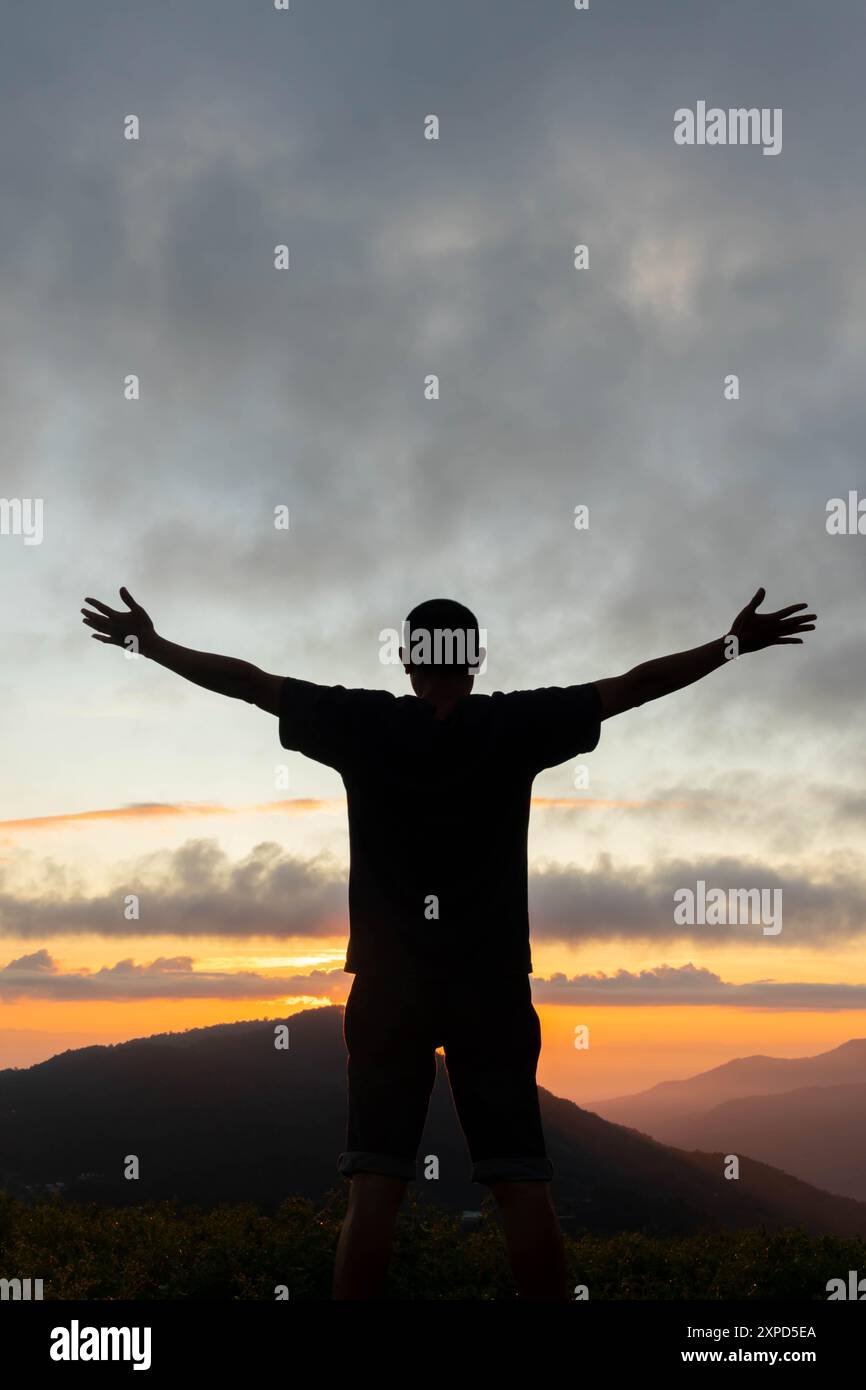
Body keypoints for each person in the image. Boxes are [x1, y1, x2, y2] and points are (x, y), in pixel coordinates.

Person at [81, 585, 816, 1299]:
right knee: (520, 1182)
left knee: (375, 1188)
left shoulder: (361, 724)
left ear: (406, 659)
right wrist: (730, 645)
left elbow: (248, 683)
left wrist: (152, 645)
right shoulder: (518, 725)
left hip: (389, 986)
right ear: (477, 659)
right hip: (490, 985)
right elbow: (633, 685)